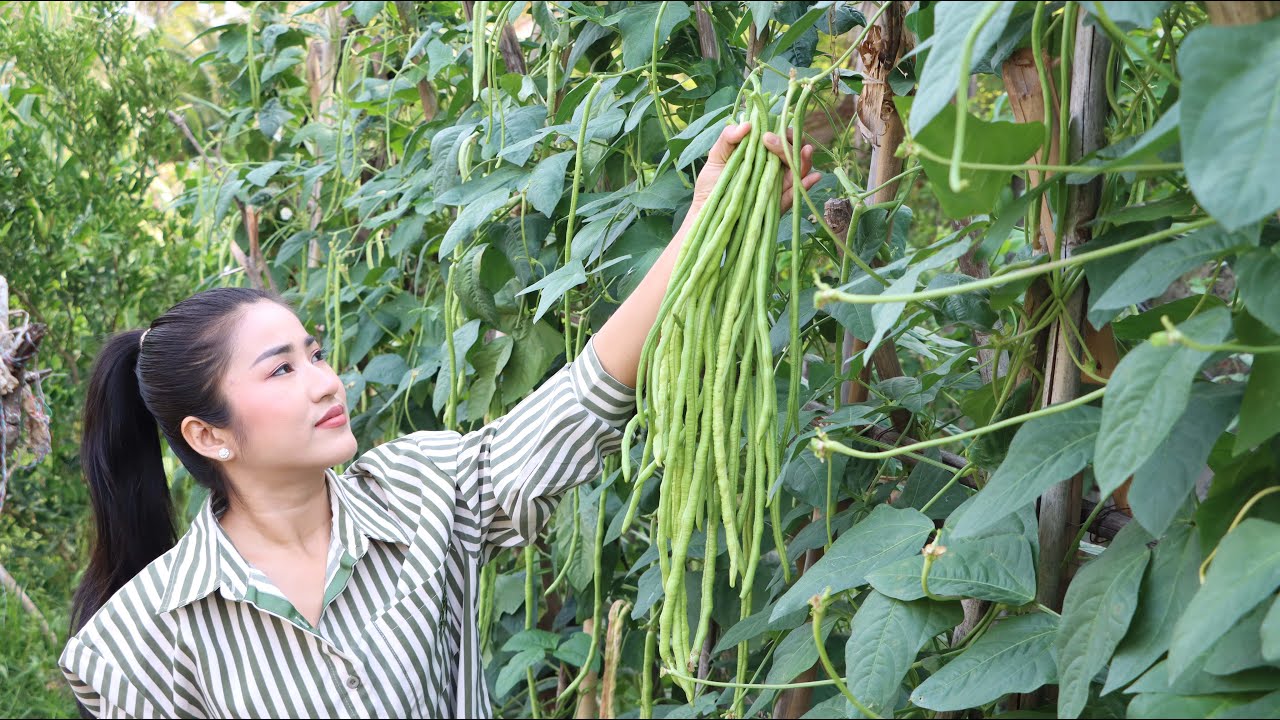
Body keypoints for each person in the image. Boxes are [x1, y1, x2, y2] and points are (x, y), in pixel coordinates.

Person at [60, 123, 818, 718]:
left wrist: (703, 226)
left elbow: (582, 401)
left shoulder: (419, 493)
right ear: (208, 434)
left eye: (316, 353)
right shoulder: (134, 646)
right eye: (283, 369)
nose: (328, 382)